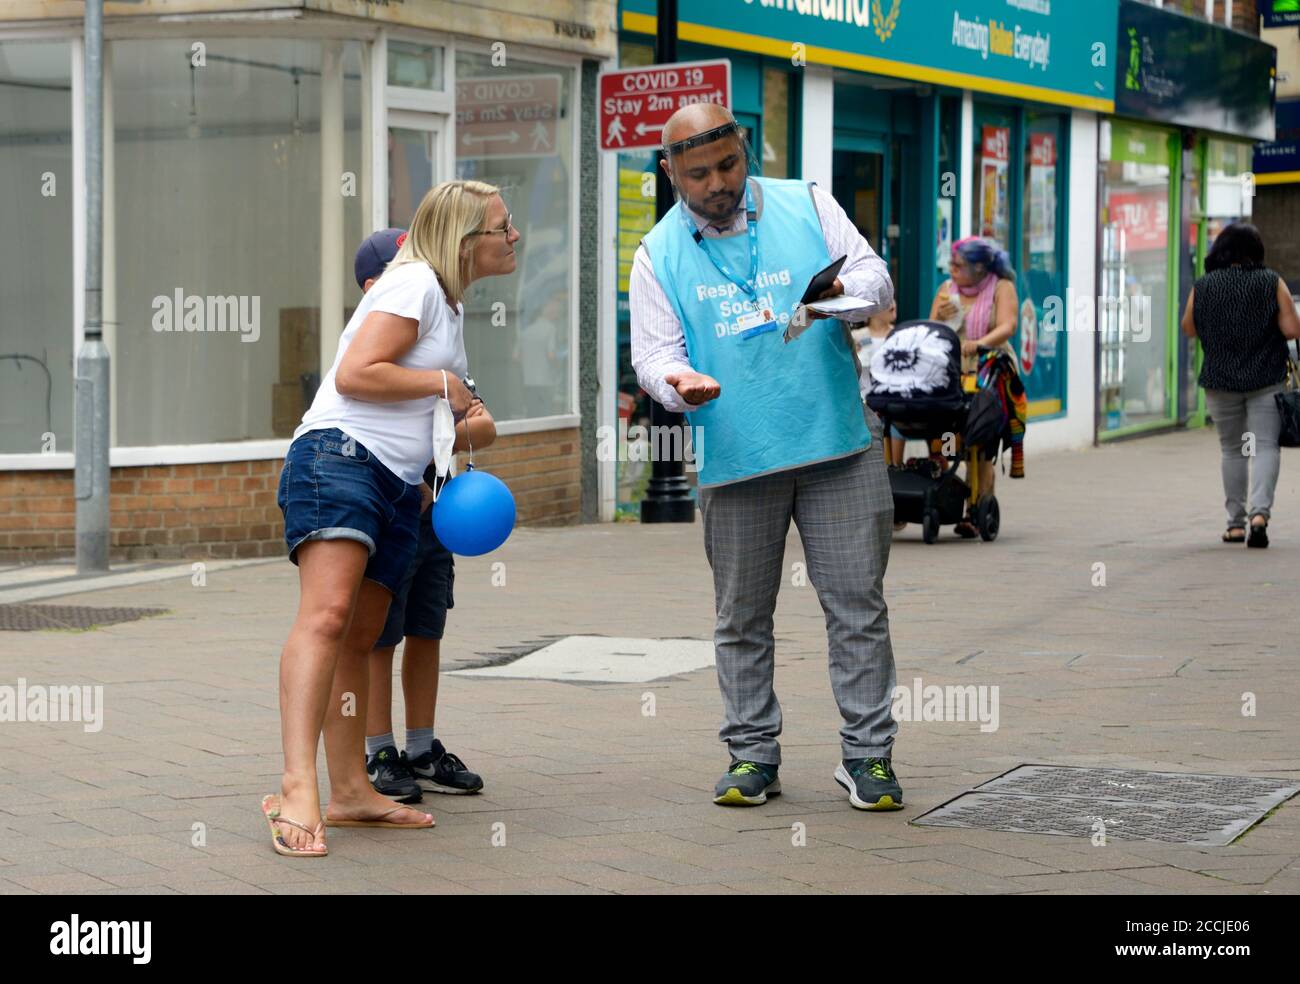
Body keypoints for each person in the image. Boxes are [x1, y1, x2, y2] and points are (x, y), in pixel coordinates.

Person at [631, 104, 904, 811]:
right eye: (698, 174)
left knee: (856, 606)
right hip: (737, 456)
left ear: (743, 149)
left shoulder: (806, 202)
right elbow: (655, 354)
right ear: (670, 173)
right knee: (742, 616)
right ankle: (752, 755)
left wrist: (842, 295)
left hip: (836, 444)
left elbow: (877, 279)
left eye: (728, 164)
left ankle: (868, 757)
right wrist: (676, 383)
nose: (719, 183)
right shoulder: (656, 253)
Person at [264, 181, 519, 857]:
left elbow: (446, 406)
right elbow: (355, 374)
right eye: (502, 227)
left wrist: (461, 411)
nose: (513, 237)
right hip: (342, 460)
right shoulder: (415, 286)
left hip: (401, 482)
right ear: (466, 240)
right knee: (326, 617)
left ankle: (348, 791)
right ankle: (297, 788)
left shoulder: (447, 305)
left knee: (360, 636)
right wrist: (445, 388)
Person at [347, 229, 498, 804]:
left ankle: (421, 745)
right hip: (391, 509)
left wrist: (449, 420)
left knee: (426, 629)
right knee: (378, 636)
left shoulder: (437, 353)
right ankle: (377, 749)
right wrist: (442, 417)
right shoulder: (373, 355)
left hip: (438, 515)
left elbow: (483, 425)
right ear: (374, 287)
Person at [1181, 221, 1300, 548]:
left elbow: (1188, 328)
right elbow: (1292, 330)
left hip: (1220, 381)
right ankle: (1259, 515)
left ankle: (1234, 525)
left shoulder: (1204, 286)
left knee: (1232, 450)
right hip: (1265, 379)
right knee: (1265, 446)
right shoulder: (1270, 282)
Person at [929, 236, 1018, 537]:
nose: (951, 269)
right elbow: (932, 330)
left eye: (959, 265)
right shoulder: (946, 290)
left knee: (981, 439)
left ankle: (977, 507)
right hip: (955, 369)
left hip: (989, 366)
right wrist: (940, 320)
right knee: (950, 435)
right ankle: (945, 490)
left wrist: (978, 344)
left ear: (979, 268)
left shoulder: (1001, 287)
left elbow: (1008, 326)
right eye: (951, 264)